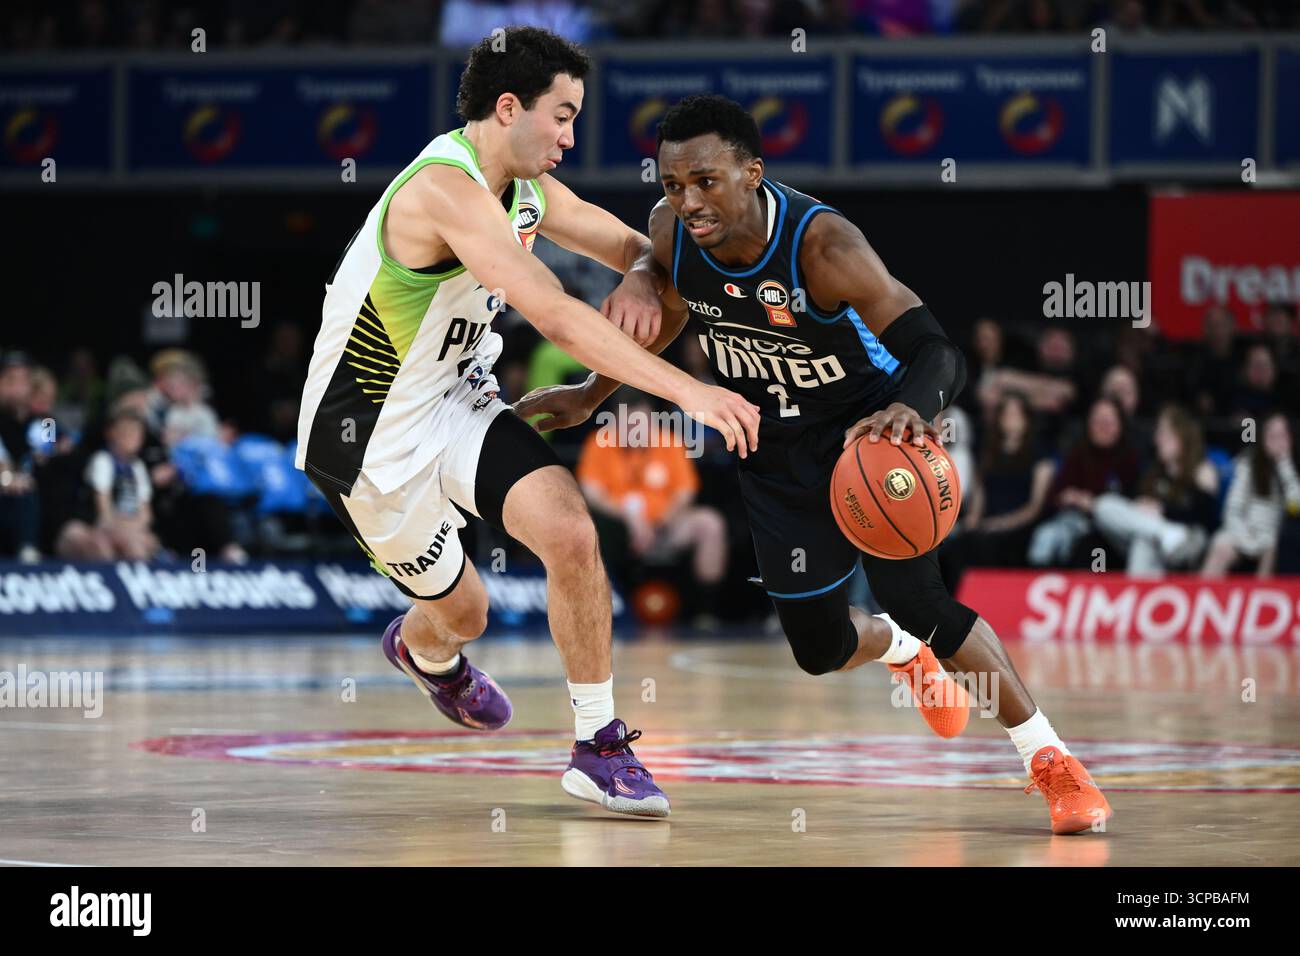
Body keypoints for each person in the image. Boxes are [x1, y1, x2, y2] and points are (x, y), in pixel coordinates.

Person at [517, 94, 1112, 834]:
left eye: (706, 181)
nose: (688, 200)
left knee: (922, 600)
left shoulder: (822, 246)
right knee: (818, 650)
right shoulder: (671, 232)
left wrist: (913, 409)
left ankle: (1051, 760)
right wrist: (589, 392)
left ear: (752, 172)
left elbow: (937, 350)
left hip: (865, 434)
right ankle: (898, 651)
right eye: (673, 185)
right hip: (769, 450)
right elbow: (672, 315)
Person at [294, 29, 760, 819]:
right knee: (464, 614)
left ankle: (598, 747)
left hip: (459, 399)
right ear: (509, 108)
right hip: (368, 437)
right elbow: (552, 311)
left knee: (572, 532)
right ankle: (424, 649)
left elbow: (639, 248)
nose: (573, 138)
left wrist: (647, 276)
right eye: (563, 116)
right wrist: (692, 394)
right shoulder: (443, 189)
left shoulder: (528, 191)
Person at [576, 389, 728, 621]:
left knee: (710, 523)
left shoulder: (668, 441)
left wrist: (659, 522)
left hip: (666, 528)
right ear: (616, 421)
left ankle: (706, 613)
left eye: (645, 422)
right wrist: (630, 519)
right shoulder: (599, 442)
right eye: (632, 423)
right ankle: (598, 610)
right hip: (618, 532)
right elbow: (592, 493)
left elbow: (685, 492)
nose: (639, 430)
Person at [939, 390, 1054, 590]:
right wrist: (973, 520)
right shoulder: (988, 452)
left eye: (1016, 414)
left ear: (1027, 418)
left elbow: (1035, 507)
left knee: (985, 545)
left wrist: (1002, 524)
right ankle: (954, 602)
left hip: (1020, 526)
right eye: (1006, 414)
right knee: (956, 546)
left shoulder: (1040, 453)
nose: (1011, 419)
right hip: (988, 523)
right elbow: (979, 494)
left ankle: (987, 598)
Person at [1091, 403, 1217, 574]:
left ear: (1182, 436)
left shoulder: (1202, 470)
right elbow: (1132, 502)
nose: (1157, 439)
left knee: (1144, 540)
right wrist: (1142, 506)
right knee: (1103, 505)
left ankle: (1165, 536)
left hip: (1187, 539)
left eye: (1163, 433)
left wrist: (1163, 510)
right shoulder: (1153, 470)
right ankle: (1165, 533)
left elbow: (1206, 519)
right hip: (1155, 535)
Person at [1028, 396, 1140, 568]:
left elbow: (1132, 502)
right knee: (1046, 536)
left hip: (1109, 532)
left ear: (1120, 425)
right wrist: (1067, 497)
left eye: (1108, 421)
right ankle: (1038, 587)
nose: (1102, 427)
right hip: (1073, 521)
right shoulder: (1077, 454)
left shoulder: (1130, 459)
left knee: (1095, 551)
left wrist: (1092, 503)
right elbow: (1054, 497)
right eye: (1097, 421)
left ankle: (1095, 586)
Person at [1202, 412, 1300, 577]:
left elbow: (1296, 506)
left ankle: (1260, 599)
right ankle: (1202, 596)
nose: (1276, 441)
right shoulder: (1248, 462)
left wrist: (1284, 464)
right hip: (1243, 532)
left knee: (1273, 548)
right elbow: (1232, 510)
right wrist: (1247, 538)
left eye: (1281, 436)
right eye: (1271, 435)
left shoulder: (1291, 469)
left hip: (1270, 538)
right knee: (1221, 545)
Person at [57, 408, 159, 560]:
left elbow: (146, 514)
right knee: (105, 545)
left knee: (146, 542)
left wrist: (134, 529)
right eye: (127, 432)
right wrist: (128, 532)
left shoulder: (138, 467)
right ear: (112, 433)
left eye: (137, 433)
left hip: (125, 527)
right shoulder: (103, 460)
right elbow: (104, 512)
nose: (133, 437)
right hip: (89, 526)